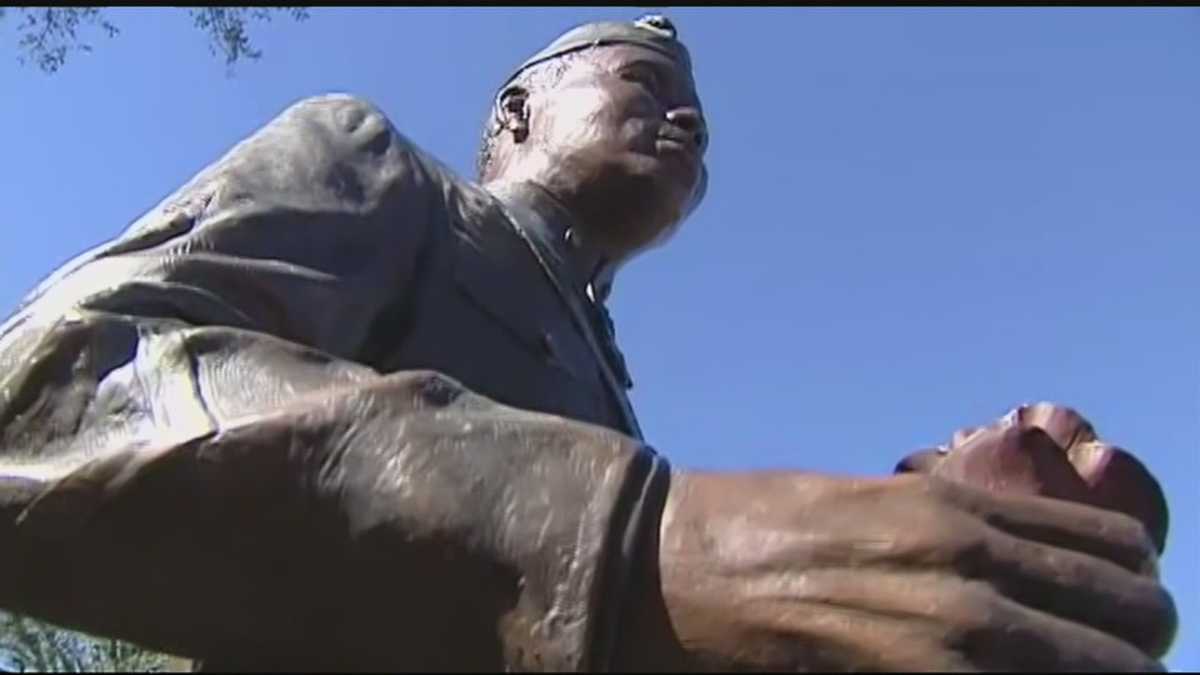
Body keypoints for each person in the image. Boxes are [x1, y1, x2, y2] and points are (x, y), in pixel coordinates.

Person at [0, 14, 1175, 672]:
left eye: (698, 120)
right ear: (515, 113)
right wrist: (635, 548)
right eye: (643, 80)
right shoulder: (376, 169)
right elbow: (51, 387)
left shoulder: (617, 400)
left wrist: (902, 570)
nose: (690, 120)